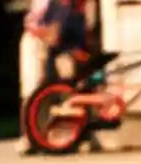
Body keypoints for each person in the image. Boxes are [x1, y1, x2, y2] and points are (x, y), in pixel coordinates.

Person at [16, 0, 92, 154]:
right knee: (33, 89)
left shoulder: (71, 9)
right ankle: (31, 137)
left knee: (68, 80)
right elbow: (46, 32)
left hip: (67, 51)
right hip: (45, 47)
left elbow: (59, 35)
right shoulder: (53, 6)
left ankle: (72, 135)